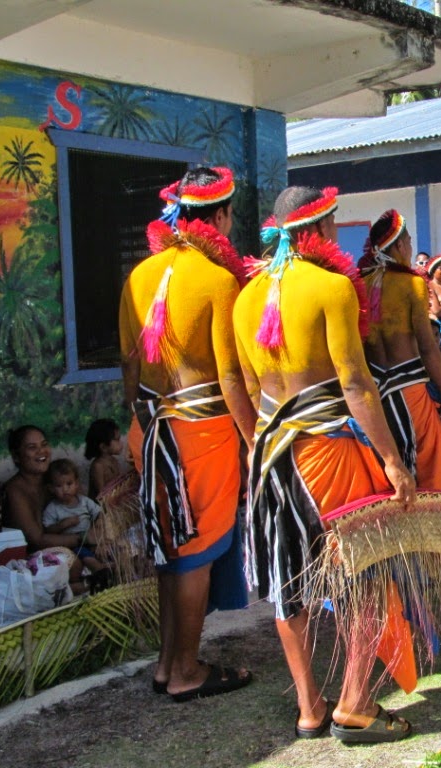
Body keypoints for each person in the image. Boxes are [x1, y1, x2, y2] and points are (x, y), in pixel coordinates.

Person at [234, 185, 415, 743]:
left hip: (269, 460)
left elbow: (244, 386)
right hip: (326, 453)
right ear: (325, 228)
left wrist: (256, 450)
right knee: (366, 572)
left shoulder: (246, 297)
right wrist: (392, 460)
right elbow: (357, 384)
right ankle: (357, 706)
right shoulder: (335, 287)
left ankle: (310, 709)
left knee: (288, 584)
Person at [119, 166, 254, 701]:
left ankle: (165, 662)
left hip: (149, 430)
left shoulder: (138, 276)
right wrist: (255, 441)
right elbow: (229, 376)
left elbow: (129, 371)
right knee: (193, 554)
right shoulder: (219, 280)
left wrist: (145, 427)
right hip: (201, 436)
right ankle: (186, 672)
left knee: (167, 549)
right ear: (219, 216)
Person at [362, 209, 441, 493]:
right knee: (433, 478)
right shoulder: (411, 284)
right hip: (410, 394)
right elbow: (429, 348)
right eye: (407, 241)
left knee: (387, 476)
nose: (410, 247)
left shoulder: (359, 284)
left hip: (374, 398)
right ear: (397, 246)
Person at [3, 425, 86, 594]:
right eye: (32, 448)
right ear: (16, 456)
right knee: (74, 563)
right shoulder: (15, 489)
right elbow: (37, 539)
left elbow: (82, 505)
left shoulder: (54, 481)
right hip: (31, 558)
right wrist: (83, 538)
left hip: (67, 544)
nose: (42, 451)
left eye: (44, 444)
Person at [42, 458, 112, 593]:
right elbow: (48, 530)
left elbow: (99, 513)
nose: (65, 489)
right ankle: (102, 573)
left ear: (77, 484)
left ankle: (115, 566)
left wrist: (98, 524)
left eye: (69, 484)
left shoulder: (84, 502)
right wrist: (63, 525)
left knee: (108, 548)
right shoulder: (53, 508)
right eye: (59, 486)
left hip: (92, 538)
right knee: (87, 558)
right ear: (51, 488)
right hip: (74, 545)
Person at [85, 418, 123, 499]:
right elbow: (101, 494)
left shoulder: (114, 461)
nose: (121, 443)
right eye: (117, 440)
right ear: (103, 447)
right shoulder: (98, 467)